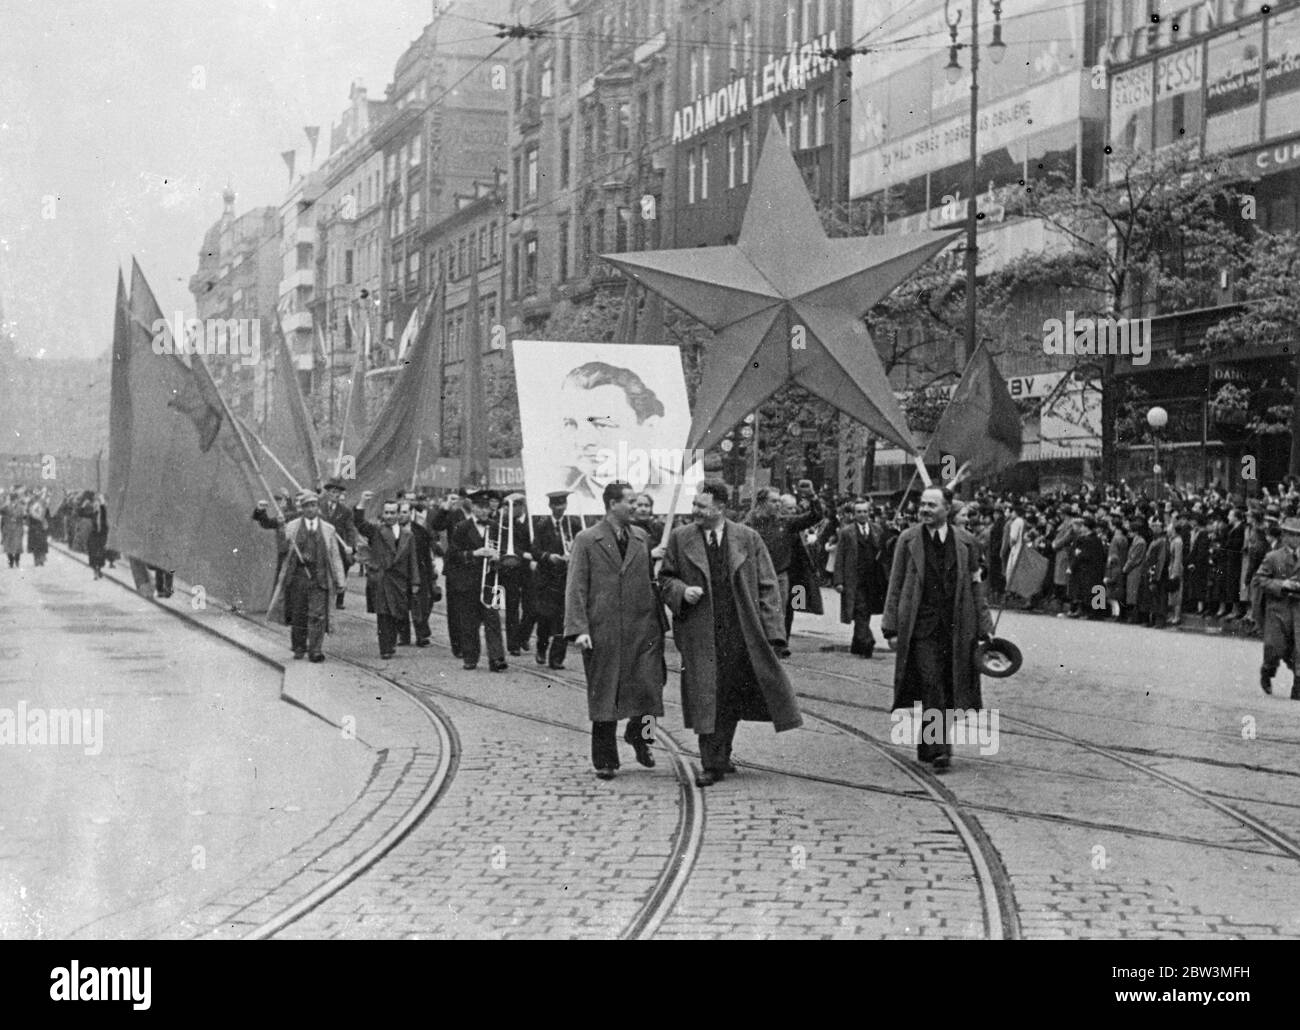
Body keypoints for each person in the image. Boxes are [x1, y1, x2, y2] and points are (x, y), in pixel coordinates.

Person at [658, 480, 803, 787]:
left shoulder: (747, 538)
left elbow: (767, 586)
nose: (695, 510)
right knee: (705, 695)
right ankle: (711, 763)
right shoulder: (680, 538)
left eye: (701, 505)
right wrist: (682, 592)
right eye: (695, 504)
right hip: (700, 631)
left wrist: (774, 633)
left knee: (730, 694)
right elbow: (665, 579)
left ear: (720, 507)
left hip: (740, 632)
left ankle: (722, 753)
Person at [881, 486, 994, 771]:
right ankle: (941, 749)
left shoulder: (967, 543)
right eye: (922, 505)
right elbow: (895, 585)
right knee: (932, 684)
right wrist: (890, 627)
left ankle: (927, 744)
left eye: (932, 505)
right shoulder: (907, 540)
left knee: (947, 684)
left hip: (957, 628)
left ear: (947, 509)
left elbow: (975, 587)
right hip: (920, 628)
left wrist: (984, 626)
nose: (924, 510)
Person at [565, 481, 667, 780]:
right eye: (630, 502)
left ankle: (641, 737)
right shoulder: (587, 539)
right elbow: (576, 587)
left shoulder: (642, 537)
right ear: (612, 504)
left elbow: (649, 581)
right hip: (603, 631)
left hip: (642, 630)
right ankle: (605, 760)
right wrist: (578, 629)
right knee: (605, 696)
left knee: (651, 692)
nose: (636, 507)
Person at [550, 361, 686, 514]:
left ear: (648, 427)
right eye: (571, 424)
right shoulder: (563, 491)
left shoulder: (676, 490)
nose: (583, 441)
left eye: (602, 424)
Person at [267, 490, 346, 662]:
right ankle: (299, 647)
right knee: (299, 614)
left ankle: (315, 650)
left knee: (317, 616)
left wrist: (340, 580)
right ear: (302, 508)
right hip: (298, 578)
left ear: (318, 507)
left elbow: (335, 556)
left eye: (313, 505)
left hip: (320, 579)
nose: (310, 509)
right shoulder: (292, 527)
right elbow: (282, 549)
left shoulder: (328, 529)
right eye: (307, 506)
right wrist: (281, 529)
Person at [445, 489, 508, 672]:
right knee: (469, 622)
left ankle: (496, 659)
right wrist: (474, 553)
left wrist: (499, 557)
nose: (483, 511)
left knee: (493, 621)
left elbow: (504, 551)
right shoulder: (462, 527)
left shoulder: (495, 526)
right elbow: (452, 555)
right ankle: (470, 657)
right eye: (480, 507)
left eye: (487, 508)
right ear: (473, 507)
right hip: (467, 582)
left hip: (489, 582)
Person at [354, 493, 421, 660]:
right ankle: (385, 647)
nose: (390, 516)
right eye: (387, 513)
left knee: (396, 613)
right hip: (382, 579)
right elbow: (360, 524)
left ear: (399, 514)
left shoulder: (408, 535)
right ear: (383, 514)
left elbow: (412, 559)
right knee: (383, 614)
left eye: (393, 513)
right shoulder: (377, 531)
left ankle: (390, 644)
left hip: (400, 580)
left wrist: (415, 581)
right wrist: (362, 502)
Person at [530, 490, 581, 669]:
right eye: (557, 505)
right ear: (551, 506)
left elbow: (580, 545)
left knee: (563, 619)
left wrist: (572, 556)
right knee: (544, 618)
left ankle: (557, 658)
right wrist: (548, 557)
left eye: (563, 504)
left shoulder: (573, 523)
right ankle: (541, 648)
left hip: (566, 578)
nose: (560, 508)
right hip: (546, 579)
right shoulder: (542, 525)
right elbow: (534, 550)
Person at [1251, 516, 1300, 699]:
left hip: (1298, 609)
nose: (1295, 539)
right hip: (1277, 610)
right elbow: (1260, 579)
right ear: (1285, 536)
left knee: (1299, 649)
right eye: (1292, 535)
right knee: (1274, 647)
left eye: (1298, 535)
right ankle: (1267, 671)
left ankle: (1298, 685)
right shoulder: (1273, 557)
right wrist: (1282, 584)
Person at [832, 499, 886, 658]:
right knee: (861, 609)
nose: (862, 515)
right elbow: (840, 557)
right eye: (859, 512)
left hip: (873, 579)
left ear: (869, 513)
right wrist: (838, 581)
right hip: (854, 579)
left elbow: (883, 553)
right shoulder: (846, 532)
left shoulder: (877, 530)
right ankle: (867, 641)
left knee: (866, 611)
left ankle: (857, 644)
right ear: (854, 514)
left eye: (865, 511)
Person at [430, 491, 468, 659]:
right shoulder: (454, 513)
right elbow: (437, 525)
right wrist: (445, 508)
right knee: (455, 608)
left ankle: (469, 642)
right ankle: (458, 645)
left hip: (475, 567)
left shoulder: (485, 515)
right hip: (456, 567)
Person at [319, 480, 357, 610]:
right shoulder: (319, 507)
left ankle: (339, 600)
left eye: (337, 492)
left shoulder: (345, 511)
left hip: (339, 546)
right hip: (322, 544)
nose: (335, 495)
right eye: (332, 492)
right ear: (328, 493)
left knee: (341, 570)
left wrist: (350, 546)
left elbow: (350, 530)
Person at [86, 494, 109, 579]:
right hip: (94, 535)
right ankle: (95, 571)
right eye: (95, 505)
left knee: (101, 554)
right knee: (93, 553)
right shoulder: (93, 513)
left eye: (97, 505)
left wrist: (102, 501)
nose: (96, 506)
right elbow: (82, 512)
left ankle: (98, 570)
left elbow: (104, 510)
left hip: (102, 535)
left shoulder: (103, 513)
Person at [26, 496, 50, 567]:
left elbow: (47, 516)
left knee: (40, 545)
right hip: (36, 528)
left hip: (39, 528)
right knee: (37, 545)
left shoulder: (42, 508)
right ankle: (38, 560)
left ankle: (40, 560)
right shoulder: (31, 508)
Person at [2, 493, 25, 568]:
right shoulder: (6, 506)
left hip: (17, 528)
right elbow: (1, 511)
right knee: (8, 546)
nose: (14, 501)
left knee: (18, 545)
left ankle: (17, 560)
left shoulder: (21, 507)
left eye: (15, 499)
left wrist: (17, 519)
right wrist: (5, 503)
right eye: (13, 499)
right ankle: (11, 561)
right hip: (8, 528)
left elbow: (23, 516)